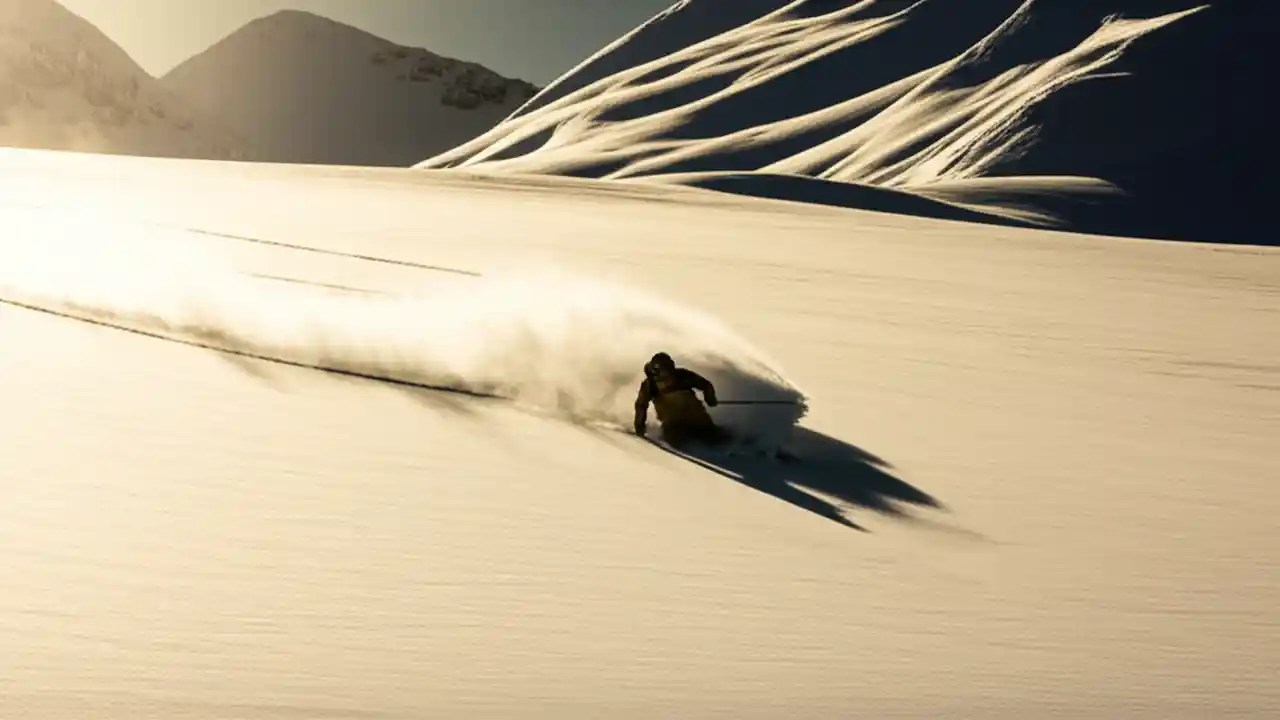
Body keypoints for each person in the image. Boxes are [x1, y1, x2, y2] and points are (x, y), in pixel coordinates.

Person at [633, 352, 727, 446]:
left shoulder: (682, 375)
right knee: (674, 441)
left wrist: (710, 398)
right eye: (664, 371)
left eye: (669, 370)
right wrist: (639, 426)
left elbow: (706, 385)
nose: (668, 375)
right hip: (673, 423)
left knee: (716, 439)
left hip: (696, 417)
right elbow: (641, 405)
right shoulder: (650, 384)